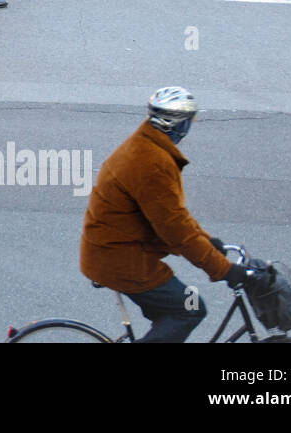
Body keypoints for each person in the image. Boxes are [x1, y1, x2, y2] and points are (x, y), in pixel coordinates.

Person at [79, 87, 265, 343]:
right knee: (190, 309)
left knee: (173, 317)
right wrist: (225, 271)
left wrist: (208, 242)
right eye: (190, 121)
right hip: (120, 260)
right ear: (177, 124)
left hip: (116, 251)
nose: (191, 126)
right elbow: (177, 231)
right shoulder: (153, 163)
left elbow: (175, 219)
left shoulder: (145, 145)